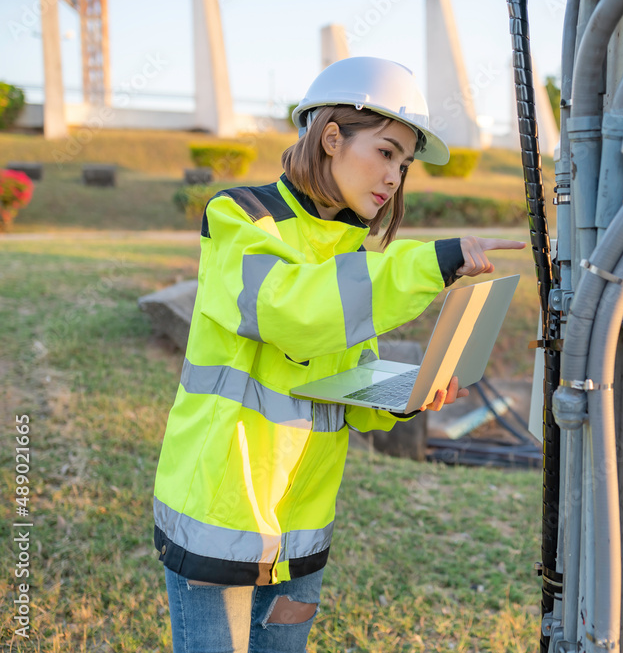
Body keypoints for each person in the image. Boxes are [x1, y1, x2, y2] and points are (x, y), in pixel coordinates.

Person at [152, 56, 525, 652]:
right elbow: (292, 312)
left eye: (404, 164)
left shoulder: (350, 257)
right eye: (386, 152)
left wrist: (409, 394)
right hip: (219, 520)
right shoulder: (241, 218)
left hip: (300, 534)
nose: (395, 176)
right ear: (331, 137)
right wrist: (429, 262)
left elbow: (350, 385)